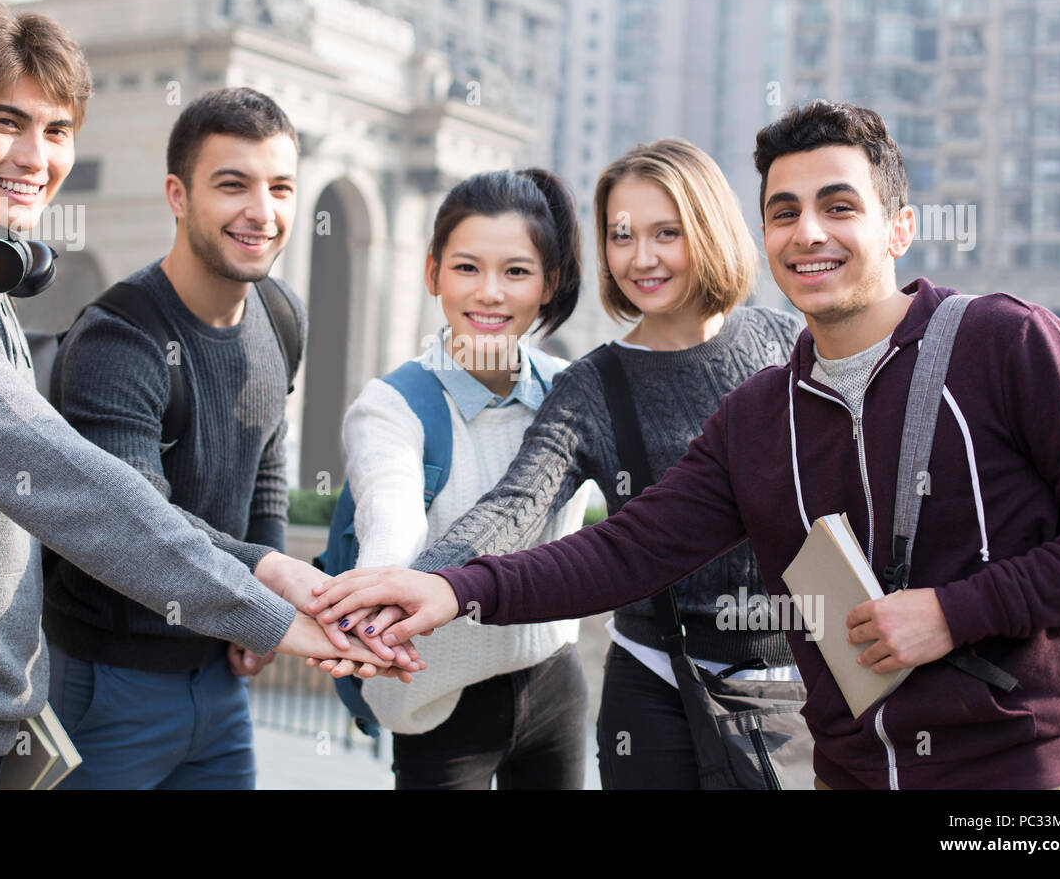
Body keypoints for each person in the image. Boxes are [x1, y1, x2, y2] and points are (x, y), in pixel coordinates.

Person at [309, 100, 1060, 789]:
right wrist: (443, 591)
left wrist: (955, 613)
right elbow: (622, 549)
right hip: (839, 762)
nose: (809, 233)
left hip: (1010, 777)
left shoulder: (1004, 342)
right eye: (784, 212)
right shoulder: (756, 414)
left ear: (900, 226)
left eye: (839, 208)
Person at [0, 2, 407, 790]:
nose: (36, 157)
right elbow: (75, 486)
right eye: (8, 122)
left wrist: (272, 569)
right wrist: (271, 607)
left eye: (58, 131)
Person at [336, 140, 803, 789]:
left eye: (666, 232)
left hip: (791, 680)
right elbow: (516, 505)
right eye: (621, 235)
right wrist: (413, 587)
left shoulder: (788, 347)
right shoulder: (589, 387)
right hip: (654, 675)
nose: (642, 256)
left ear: (708, 228)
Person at [42, 88, 352, 789]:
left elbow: (268, 451)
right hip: (109, 683)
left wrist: (255, 603)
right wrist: (270, 584)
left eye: (280, 187)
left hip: (220, 685)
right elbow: (133, 519)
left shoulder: (279, 314)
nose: (262, 212)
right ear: (178, 196)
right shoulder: (119, 339)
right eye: (233, 185)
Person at [340, 168, 591, 789]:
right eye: (466, 268)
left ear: (548, 282)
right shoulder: (392, 404)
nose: (489, 294)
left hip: (553, 681)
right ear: (433, 274)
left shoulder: (576, 392)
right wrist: (382, 596)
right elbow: (389, 510)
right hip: (437, 703)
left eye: (516, 271)